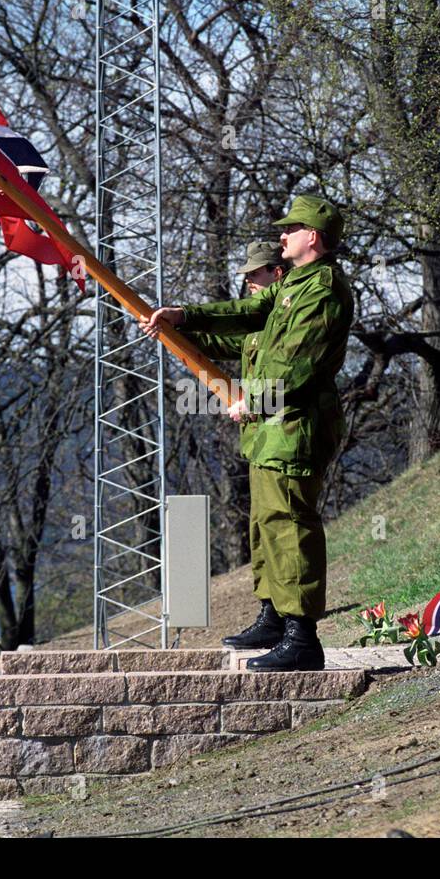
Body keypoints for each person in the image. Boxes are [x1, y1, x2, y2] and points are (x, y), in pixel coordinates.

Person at [143, 195, 353, 672]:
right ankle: (277, 616)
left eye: (291, 228)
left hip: (294, 424)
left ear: (312, 236)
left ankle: (302, 637)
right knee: (266, 523)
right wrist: (186, 318)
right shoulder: (294, 285)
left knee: (289, 525)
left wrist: (251, 399)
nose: (282, 236)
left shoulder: (320, 289)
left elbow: (295, 363)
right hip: (273, 429)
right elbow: (249, 316)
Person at [179, 242, 288, 649]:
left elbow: (292, 373)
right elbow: (223, 344)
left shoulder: (284, 317)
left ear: (277, 273)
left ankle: (290, 622)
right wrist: (176, 328)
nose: (247, 280)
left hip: (283, 435)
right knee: (261, 532)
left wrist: (254, 401)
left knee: (281, 531)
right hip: (261, 440)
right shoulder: (259, 324)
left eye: (255, 273)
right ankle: (270, 613)